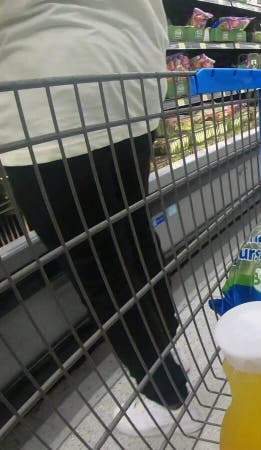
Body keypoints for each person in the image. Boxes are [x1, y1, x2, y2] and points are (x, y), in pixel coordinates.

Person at [0, 0, 199, 437]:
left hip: (45, 94)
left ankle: (161, 392)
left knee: (98, 264)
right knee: (129, 239)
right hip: (126, 78)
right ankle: (167, 366)